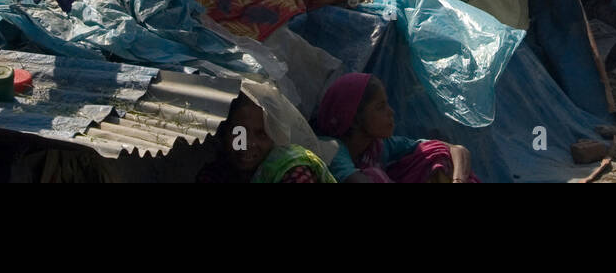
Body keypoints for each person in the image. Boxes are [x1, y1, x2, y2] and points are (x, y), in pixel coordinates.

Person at [314, 73, 478, 183]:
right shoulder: (331, 148)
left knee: (438, 154)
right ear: (354, 117)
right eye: (380, 107)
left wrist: (458, 181)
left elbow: (457, 150)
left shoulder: (379, 146)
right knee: (375, 175)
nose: (391, 112)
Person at [197, 93, 335, 183]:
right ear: (224, 132)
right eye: (239, 132)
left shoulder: (291, 169)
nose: (248, 143)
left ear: (275, 135)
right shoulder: (216, 174)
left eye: (261, 134)